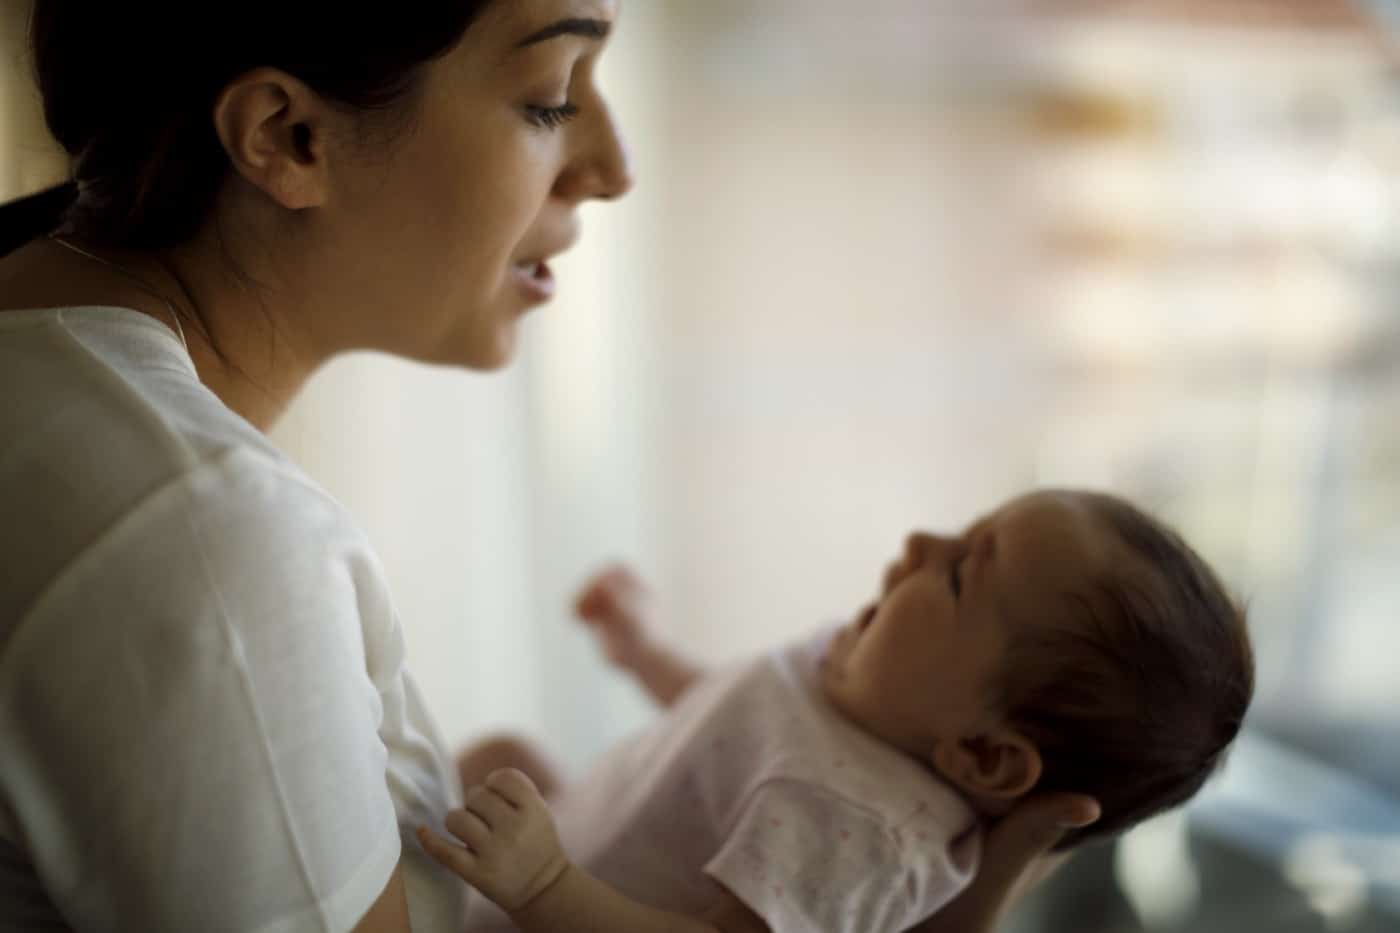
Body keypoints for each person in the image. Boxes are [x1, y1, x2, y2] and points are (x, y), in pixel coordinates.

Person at [0, 2, 1097, 931]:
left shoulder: (63, 388)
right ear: (290, 138)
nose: (613, 170)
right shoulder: (202, 534)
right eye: (549, 95)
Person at [424, 490, 1254, 933]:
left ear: (985, 756)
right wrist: (644, 649)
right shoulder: (863, 691)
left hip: (557, 909)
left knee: (477, 779)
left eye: (961, 572)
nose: (922, 544)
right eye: (963, 531)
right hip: (559, 852)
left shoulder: (860, 827)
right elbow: (732, 725)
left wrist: (546, 885)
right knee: (505, 754)